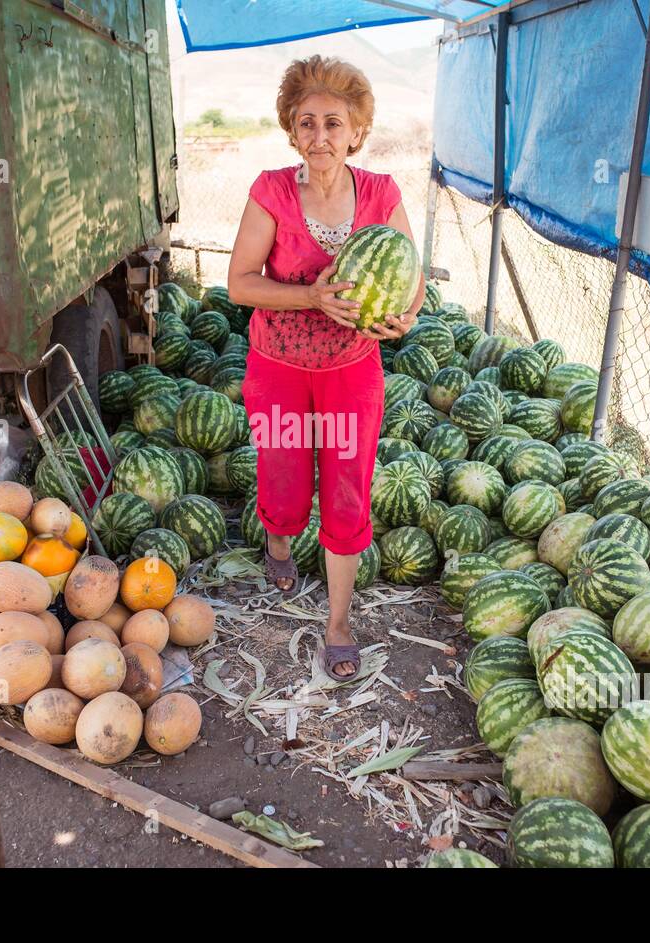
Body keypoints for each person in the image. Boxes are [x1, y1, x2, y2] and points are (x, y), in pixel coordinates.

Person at [227, 55, 424, 680]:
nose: (320, 136)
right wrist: (312, 296)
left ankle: (337, 623)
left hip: (351, 371)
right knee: (283, 475)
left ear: (356, 131)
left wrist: (406, 316)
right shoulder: (272, 192)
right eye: (306, 122)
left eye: (333, 123)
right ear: (291, 129)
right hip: (279, 365)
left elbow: (409, 278)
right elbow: (239, 284)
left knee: (346, 488)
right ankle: (279, 541)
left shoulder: (383, 194)